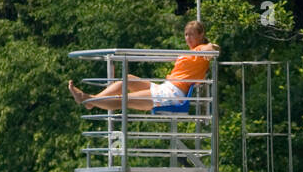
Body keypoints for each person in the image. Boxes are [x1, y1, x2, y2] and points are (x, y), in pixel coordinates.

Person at [68, 21, 217, 111]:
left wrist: (211, 47)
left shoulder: (200, 50)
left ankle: (88, 99)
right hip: (166, 87)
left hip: (173, 94)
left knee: (124, 99)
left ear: (201, 35)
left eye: (191, 34)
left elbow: (211, 50)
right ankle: (91, 102)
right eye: (186, 34)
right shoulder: (189, 52)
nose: (188, 38)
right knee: (127, 79)